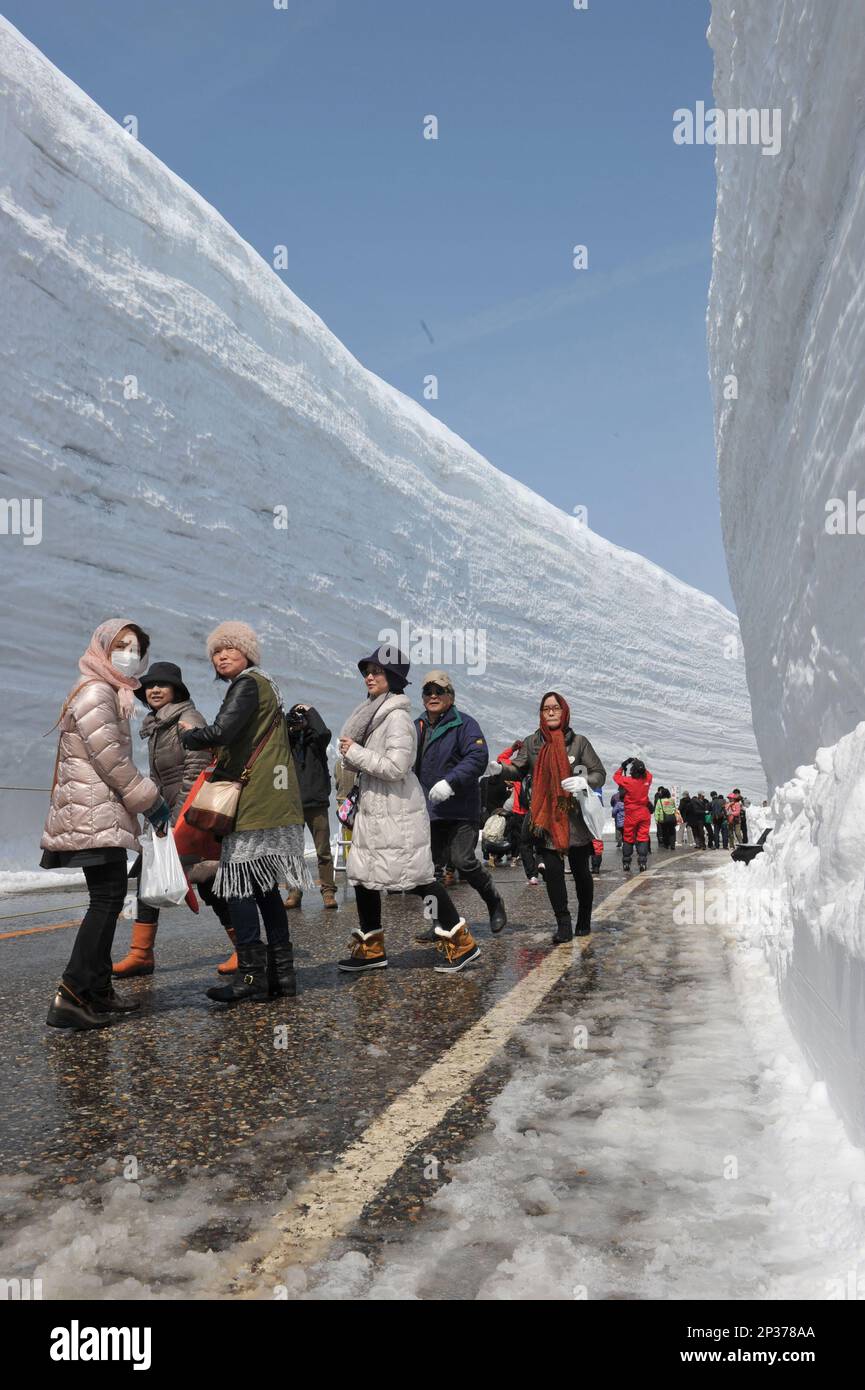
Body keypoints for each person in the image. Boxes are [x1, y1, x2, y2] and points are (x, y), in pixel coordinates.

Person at [42, 619, 170, 1030]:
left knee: (109, 898)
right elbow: (111, 761)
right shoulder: (97, 692)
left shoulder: (107, 689)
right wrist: (151, 801)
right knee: (106, 900)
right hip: (93, 812)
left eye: (137, 648)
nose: (131, 654)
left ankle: (96, 989)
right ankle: (72, 991)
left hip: (97, 811)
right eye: (122, 645)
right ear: (102, 647)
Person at [180, 622, 307, 1003]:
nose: (222, 656)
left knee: (236, 884)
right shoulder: (268, 686)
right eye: (216, 651)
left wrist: (189, 734)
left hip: (255, 802)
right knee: (265, 888)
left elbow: (221, 730)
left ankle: (250, 977)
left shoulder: (248, 684)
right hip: (276, 802)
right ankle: (282, 976)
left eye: (230, 648)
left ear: (248, 652)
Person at [336, 645, 481, 974]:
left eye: (378, 671)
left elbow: (397, 766)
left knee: (416, 879)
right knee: (364, 877)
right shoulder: (372, 712)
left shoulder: (397, 717)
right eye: (367, 671)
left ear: (394, 678)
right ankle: (371, 949)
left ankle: (462, 943)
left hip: (397, 811)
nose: (370, 676)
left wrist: (355, 754)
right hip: (376, 809)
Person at [111, 661, 235, 979]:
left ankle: (246, 949)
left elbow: (195, 774)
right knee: (151, 879)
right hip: (165, 815)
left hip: (187, 818)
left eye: (162, 685)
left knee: (206, 880)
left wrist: (178, 819)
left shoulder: (186, 720)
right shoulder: (158, 725)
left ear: (176, 691)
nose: (153, 690)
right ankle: (141, 954)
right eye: (149, 686)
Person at [495, 691, 605, 943]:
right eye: (546, 709)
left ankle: (584, 918)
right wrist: (500, 769)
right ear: (541, 713)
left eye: (556, 708)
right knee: (554, 874)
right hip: (545, 818)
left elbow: (599, 773)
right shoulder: (533, 742)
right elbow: (518, 767)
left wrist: (583, 780)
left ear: (564, 711)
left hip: (574, 818)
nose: (551, 712)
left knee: (580, 872)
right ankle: (563, 923)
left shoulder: (579, 743)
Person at [412, 669, 506, 941]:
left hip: (461, 809)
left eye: (439, 691)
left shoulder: (465, 724)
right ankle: (438, 923)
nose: (433, 696)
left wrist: (450, 782)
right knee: (429, 872)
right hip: (429, 811)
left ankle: (493, 901)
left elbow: (477, 757)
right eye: (428, 691)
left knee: (463, 861)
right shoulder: (416, 726)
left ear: (450, 696)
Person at [283, 702, 338, 911]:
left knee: (323, 851)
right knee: (292, 852)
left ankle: (328, 892)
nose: (298, 722)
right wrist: (286, 722)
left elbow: (323, 732)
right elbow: (274, 737)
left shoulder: (317, 742)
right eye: (294, 719)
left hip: (316, 802)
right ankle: (294, 892)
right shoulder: (286, 743)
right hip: (292, 805)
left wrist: (310, 709)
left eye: (301, 718)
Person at [613, 758, 653, 872]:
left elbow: (616, 776)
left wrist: (623, 766)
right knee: (643, 837)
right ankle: (642, 862)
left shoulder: (628, 781)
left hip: (631, 813)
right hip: (644, 813)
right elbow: (648, 773)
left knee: (628, 837)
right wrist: (639, 762)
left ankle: (626, 861)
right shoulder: (647, 780)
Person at [653, 786, 678, 850]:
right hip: (672, 818)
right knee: (672, 831)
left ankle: (666, 845)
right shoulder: (671, 800)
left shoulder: (660, 801)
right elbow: (674, 808)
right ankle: (672, 845)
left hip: (663, 819)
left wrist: (656, 819)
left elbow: (657, 811)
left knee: (665, 831)